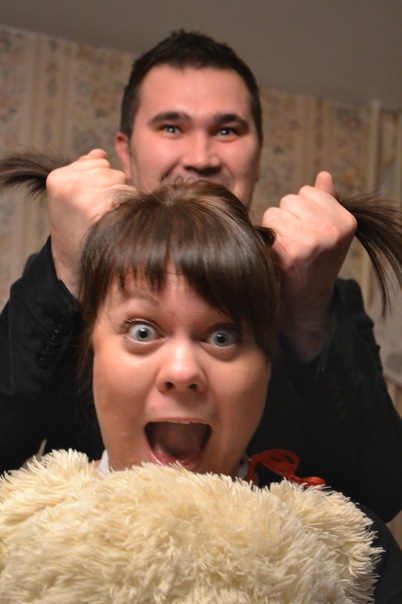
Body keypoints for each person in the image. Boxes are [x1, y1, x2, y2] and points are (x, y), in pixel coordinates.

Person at [0, 31, 401, 523]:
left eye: (227, 130)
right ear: (126, 150)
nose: (201, 156)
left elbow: (381, 494)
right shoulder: (59, 286)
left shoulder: (328, 299)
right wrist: (66, 272)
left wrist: (309, 315)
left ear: (258, 153)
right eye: (171, 127)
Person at [0, 175, 401, 601]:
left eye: (222, 337)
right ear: (91, 346)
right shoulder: (19, 531)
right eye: (142, 331)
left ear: (268, 364)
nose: (182, 370)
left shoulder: (346, 552)